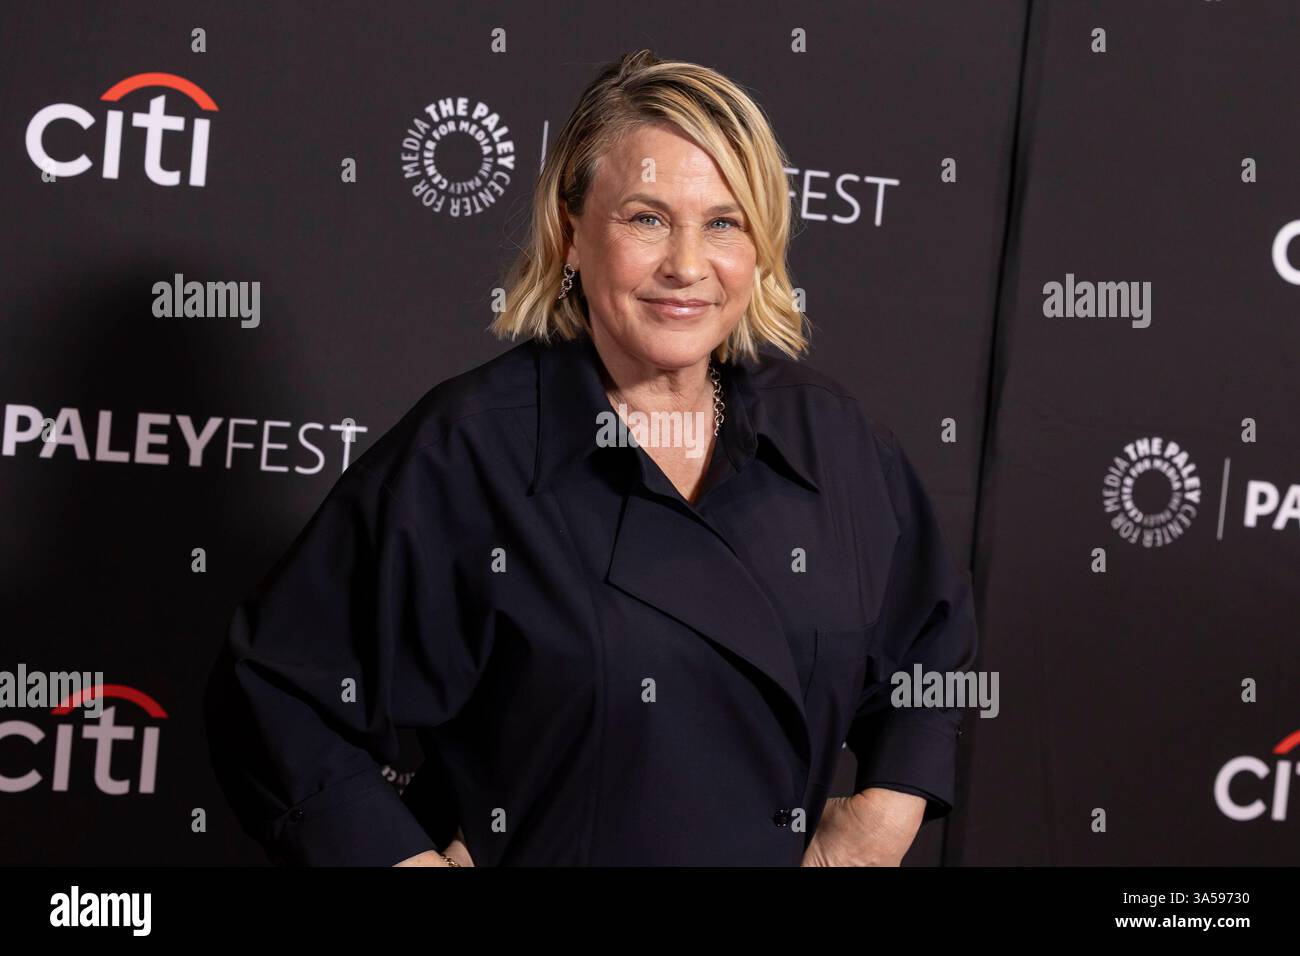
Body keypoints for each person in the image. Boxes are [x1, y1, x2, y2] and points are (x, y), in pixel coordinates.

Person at [204, 48, 978, 867]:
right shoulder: (472, 449)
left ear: (761, 246)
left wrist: (877, 825)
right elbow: (276, 692)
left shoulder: (832, 437)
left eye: (724, 222)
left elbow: (934, 645)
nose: (687, 264)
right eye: (646, 218)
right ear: (570, 235)